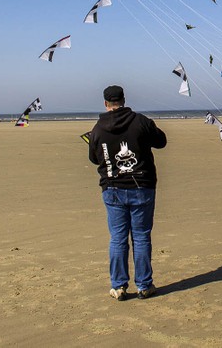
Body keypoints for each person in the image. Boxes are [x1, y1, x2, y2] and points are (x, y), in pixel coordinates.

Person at [87, 85, 167, 301]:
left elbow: (161, 141)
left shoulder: (109, 126)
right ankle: (130, 285)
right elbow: (94, 157)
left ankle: (133, 285)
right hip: (125, 187)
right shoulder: (107, 127)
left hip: (133, 187)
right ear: (123, 100)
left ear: (106, 103)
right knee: (135, 237)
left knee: (123, 238)